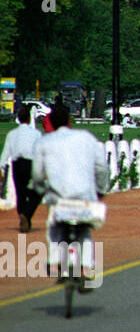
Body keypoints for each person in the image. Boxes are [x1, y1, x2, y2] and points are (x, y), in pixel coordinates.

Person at [30, 103, 109, 282]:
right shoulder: (86, 138)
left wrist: (39, 188)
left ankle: (55, 262)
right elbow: (102, 167)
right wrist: (101, 189)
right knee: (84, 232)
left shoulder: (44, 142)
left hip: (58, 199)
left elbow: (36, 173)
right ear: (70, 121)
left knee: (55, 227)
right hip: (84, 197)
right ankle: (86, 267)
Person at [1, 103, 42, 233]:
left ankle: (24, 218)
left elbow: (5, 152)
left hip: (17, 164)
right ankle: (27, 214)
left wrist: (1, 167)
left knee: (21, 193)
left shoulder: (12, 134)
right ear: (29, 119)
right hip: (31, 164)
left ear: (18, 118)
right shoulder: (36, 134)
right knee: (36, 193)